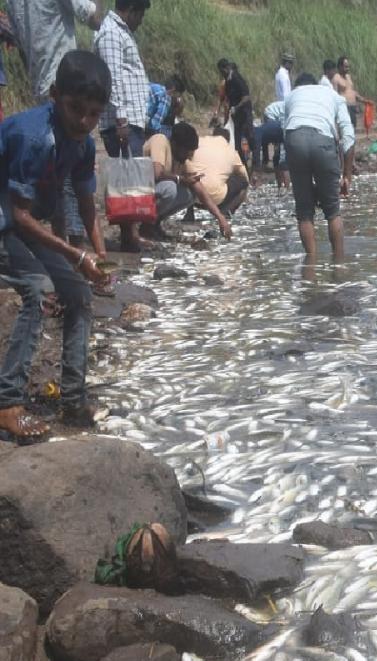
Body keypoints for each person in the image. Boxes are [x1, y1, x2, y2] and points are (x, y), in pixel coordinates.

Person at [0, 51, 112, 441]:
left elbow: (82, 202)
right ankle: (8, 403)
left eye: (94, 114)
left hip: (20, 224)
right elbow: (20, 216)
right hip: (7, 221)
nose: (84, 121)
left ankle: (73, 397)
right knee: (39, 291)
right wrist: (73, 254)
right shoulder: (35, 138)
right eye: (75, 109)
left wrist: (97, 256)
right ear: (54, 95)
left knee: (78, 292)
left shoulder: (80, 145)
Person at [96, 0, 152, 253]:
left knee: (131, 178)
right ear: (131, 10)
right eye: (140, 15)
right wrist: (121, 119)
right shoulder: (110, 32)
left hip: (130, 119)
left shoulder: (120, 32)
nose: (141, 21)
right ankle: (129, 236)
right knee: (126, 180)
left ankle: (132, 233)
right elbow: (113, 77)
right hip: (122, 121)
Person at [284, 73, 354, 261]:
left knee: (304, 212)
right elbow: (348, 135)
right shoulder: (332, 95)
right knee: (332, 211)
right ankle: (338, 264)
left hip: (295, 140)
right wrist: (347, 176)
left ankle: (311, 266)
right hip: (323, 140)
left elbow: (287, 131)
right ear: (315, 84)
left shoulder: (291, 96)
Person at [144, 122, 233, 239]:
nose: (188, 157)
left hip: (153, 192)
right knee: (170, 188)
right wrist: (180, 179)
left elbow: (200, 189)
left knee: (191, 195)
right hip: (139, 190)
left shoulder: (182, 160)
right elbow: (157, 173)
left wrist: (220, 218)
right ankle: (145, 225)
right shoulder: (160, 141)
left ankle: (154, 223)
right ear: (176, 144)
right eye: (186, 152)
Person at [186, 126, 249, 224]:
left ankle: (189, 213)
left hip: (193, 196)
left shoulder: (199, 141)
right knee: (243, 182)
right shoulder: (231, 151)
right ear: (228, 140)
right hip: (217, 199)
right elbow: (245, 177)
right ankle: (226, 212)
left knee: (190, 171)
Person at [217, 59, 254, 167]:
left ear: (227, 68)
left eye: (222, 71)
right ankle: (243, 166)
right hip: (236, 115)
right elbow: (227, 98)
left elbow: (246, 97)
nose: (222, 73)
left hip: (244, 113)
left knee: (250, 138)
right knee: (237, 143)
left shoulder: (237, 78)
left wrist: (236, 107)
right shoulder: (227, 80)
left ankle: (256, 165)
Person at [332, 56, 372, 130]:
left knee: (353, 129)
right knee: (345, 130)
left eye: (348, 67)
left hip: (353, 108)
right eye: (346, 67)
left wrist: (364, 101)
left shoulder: (348, 77)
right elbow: (334, 96)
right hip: (344, 108)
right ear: (340, 66)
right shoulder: (336, 78)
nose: (348, 69)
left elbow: (353, 92)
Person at [255, 100, 289, 186]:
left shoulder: (288, 109)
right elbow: (283, 128)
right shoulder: (287, 111)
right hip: (271, 114)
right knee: (279, 157)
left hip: (271, 114)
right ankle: (283, 185)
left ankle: (280, 184)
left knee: (277, 156)